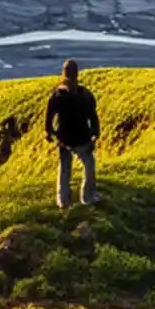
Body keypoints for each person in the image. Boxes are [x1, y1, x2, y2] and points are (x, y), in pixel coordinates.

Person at [45, 59, 100, 208]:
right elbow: (93, 116)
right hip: (78, 138)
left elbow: (49, 117)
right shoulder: (83, 94)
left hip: (69, 138)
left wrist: (49, 132)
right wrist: (95, 134)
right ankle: (85, 197)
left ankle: (65, 201)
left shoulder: (58, 96)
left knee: (66, 169)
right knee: (87, 165)